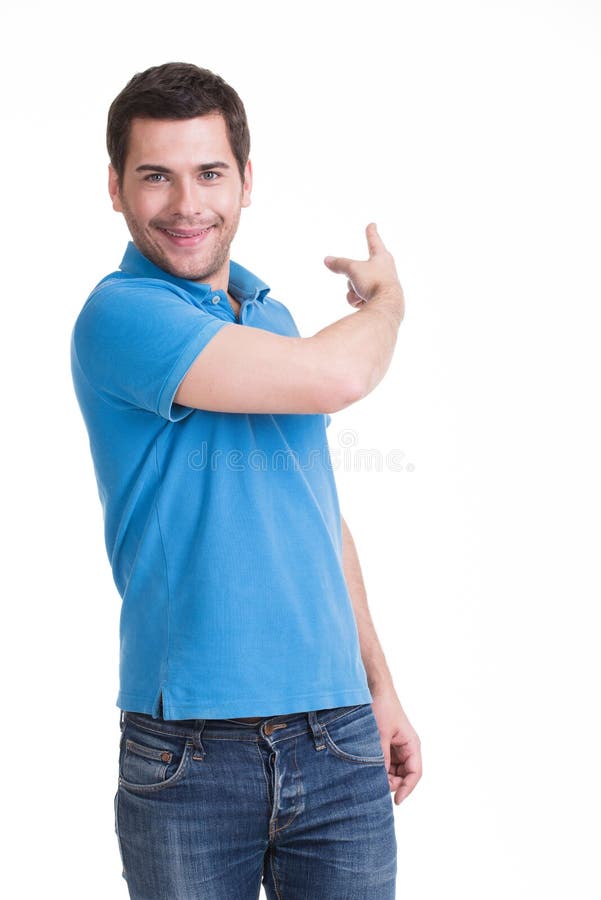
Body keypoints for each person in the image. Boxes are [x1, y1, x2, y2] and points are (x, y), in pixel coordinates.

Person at [70, 61, 422, 900]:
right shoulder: (122, 315)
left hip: (337, 740)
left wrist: (378, 686)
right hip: (190, 755)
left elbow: (316, 515)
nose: (187, 204)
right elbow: (341, 376)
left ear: (246, 181)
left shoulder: (273, 320)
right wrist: (386, 307)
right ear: (115, 188)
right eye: (155, 175)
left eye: (209, 173)